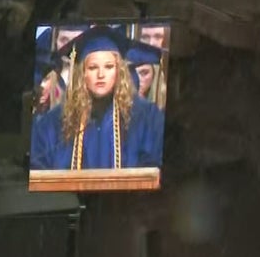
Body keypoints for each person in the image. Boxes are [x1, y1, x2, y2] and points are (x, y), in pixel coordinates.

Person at [30, 26, 164, 171]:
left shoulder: (147, 117)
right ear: (82, 73)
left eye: (109, 66)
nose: (101, 74)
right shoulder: (53, 123)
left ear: (119, 71)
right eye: (93, 67)